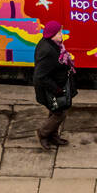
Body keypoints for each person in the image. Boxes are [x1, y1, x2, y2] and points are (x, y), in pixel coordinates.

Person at [33, 21, 76, 150]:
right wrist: (56, 89)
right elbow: (41, 76)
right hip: (50, 89)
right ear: (52, 35)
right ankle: (43, 133)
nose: (61, 34)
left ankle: (52, 136)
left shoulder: (54, 45)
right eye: (59, 33)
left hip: (56, 85)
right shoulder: (47, 51)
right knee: (59, 113)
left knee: (55, 110)